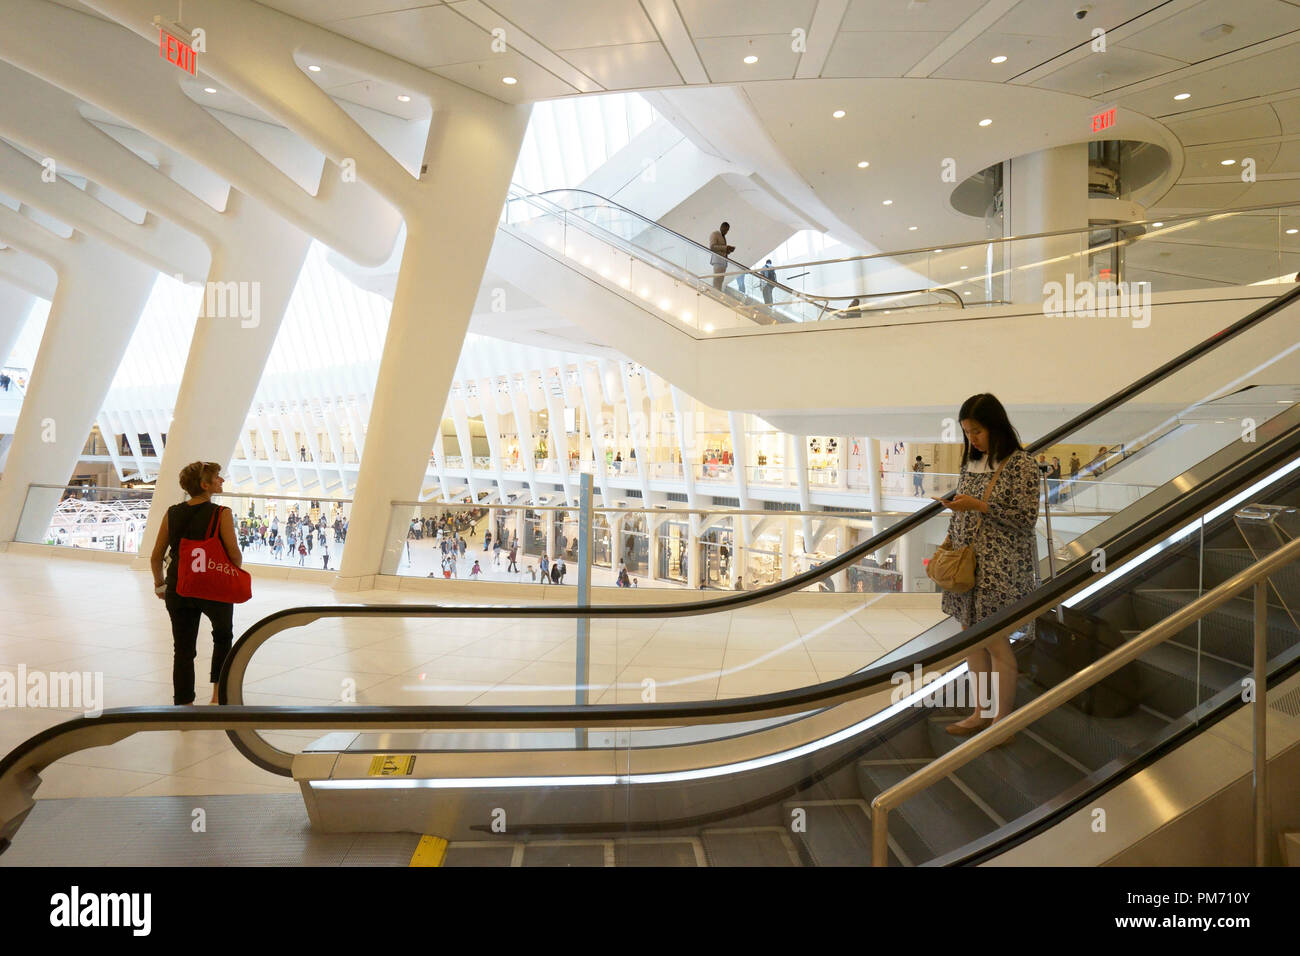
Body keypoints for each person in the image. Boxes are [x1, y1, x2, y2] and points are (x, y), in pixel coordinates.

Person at [932, 393, 1039, 736]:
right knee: (971, 638)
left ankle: (1001, 722)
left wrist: (980, 506)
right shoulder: (972, 463)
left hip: (1000, 566)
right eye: (967, 433)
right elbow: (970, 508)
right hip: (970, 565)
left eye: (976, 431)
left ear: (995, 426)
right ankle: (982, 712)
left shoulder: (1021, 465)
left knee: (994, 641)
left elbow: (1026, 518)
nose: (972, 439)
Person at [148, 461, 240, 706]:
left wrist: (160, 584)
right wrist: (233, 576)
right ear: (204, 485)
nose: (221, 481)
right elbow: (234, 554)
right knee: (222, 638)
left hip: (179, 586)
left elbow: (156, 555)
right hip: (214, 587)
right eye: (217, 478)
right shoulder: (222, 513)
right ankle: (217, 697)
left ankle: (184, 704)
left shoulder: (172, 512)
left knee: (183, 649)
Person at [708, 221, 735, 292]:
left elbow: (721, 249)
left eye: (727, 230)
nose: (726, 231)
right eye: (725, 229)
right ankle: (715, 293)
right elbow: (712, 247)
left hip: (723, 262)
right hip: (718, 261)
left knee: (720, 281)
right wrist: (726, 248)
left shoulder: (723, 237)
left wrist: (728, 250)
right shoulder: (715, 234)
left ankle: (718, 293)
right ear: (721, 227)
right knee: (716, 280)